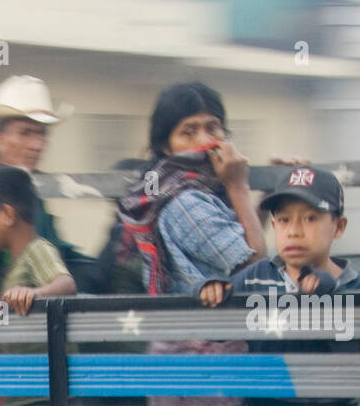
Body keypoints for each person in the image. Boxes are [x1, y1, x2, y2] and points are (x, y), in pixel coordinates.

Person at [110, 81, 276, 297]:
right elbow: (254, 265)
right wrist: (238, 186)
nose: (205, 141)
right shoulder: (184, 201)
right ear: (166, 147)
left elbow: (242, 242)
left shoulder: (202, 190)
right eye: (189, 132)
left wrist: (270, 190)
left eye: (212, 128)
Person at [0, 75, 95, 290]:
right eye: (26, 133)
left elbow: (55, 248)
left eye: (42, 134)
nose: (37, 145)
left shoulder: (27, 183)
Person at [198, 167, 360, 305]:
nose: (293, 231)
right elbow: (215, 331)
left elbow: (358, 347)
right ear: (274, 226)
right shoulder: (256, 276)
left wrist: (323, 299)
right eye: (284, 220)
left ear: (339, 227)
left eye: (310, 219)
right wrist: (211, 288)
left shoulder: (357, 288)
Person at [0, 167, 78, 314]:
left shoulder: (37, 250)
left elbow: (66, 284)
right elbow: (4, 319)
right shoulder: (14, 263)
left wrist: (34, 294)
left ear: (7, 215)